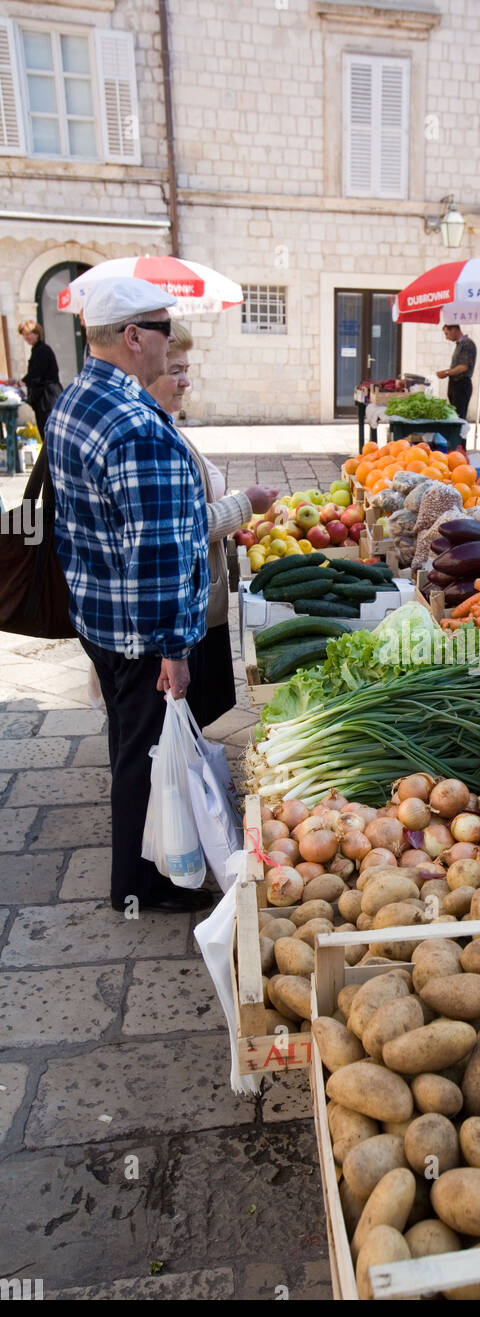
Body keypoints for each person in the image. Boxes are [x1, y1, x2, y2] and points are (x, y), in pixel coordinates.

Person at [46, 276, 213, 915]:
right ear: (134, 336)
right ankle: (141, 885)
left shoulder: (74, 399)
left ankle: (137, 875)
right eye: (164, 328)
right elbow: (157, 553)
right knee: (143, 756)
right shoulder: (137, 424)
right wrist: (174, 648)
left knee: (128, 743)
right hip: (138, 626)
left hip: (97, 610)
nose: (171, 340)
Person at [147, 321, 279, 728]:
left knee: (190, 720)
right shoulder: (151, 437)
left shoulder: (167, 426)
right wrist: (244, 505)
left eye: (187, 369)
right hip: (178, 610)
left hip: (199, 602)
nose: (186, 381)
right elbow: (181, 527)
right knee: (166, 728)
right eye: (175, 371)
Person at [17, 320, 62, 437]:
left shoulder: (43, 350)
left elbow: (36, 373)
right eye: (24, 334)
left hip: (48, 396)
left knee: (49, 431)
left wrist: (21, 382)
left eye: (28, 334)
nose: (26, 337)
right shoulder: (37, 349)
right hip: (44, 396)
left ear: (37, 334)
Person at [436, 324, 476, 421]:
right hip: (456, 384)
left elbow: (463, 366)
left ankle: (459, 436)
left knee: (458, 418)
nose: (446, 337)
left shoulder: (467, 344)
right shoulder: (460, 344)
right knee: (454, 416)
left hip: (461, 384)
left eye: (447, 333)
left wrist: (446, 373)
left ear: (454, 329)